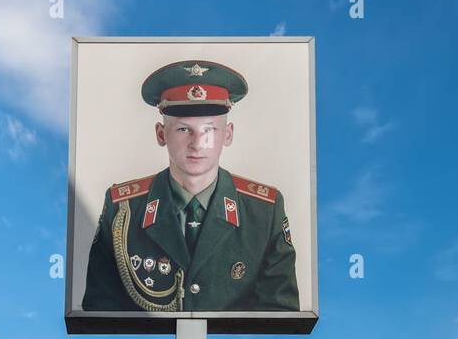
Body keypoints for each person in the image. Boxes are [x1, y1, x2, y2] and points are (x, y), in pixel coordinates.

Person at [82, 60, 299, 315]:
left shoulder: (264, 211)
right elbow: (100, 318)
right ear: (161, 134)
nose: (197, 144)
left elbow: (281, 323)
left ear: (228, 134)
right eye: (184, 129)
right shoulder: (123, 208)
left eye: (210, 130)